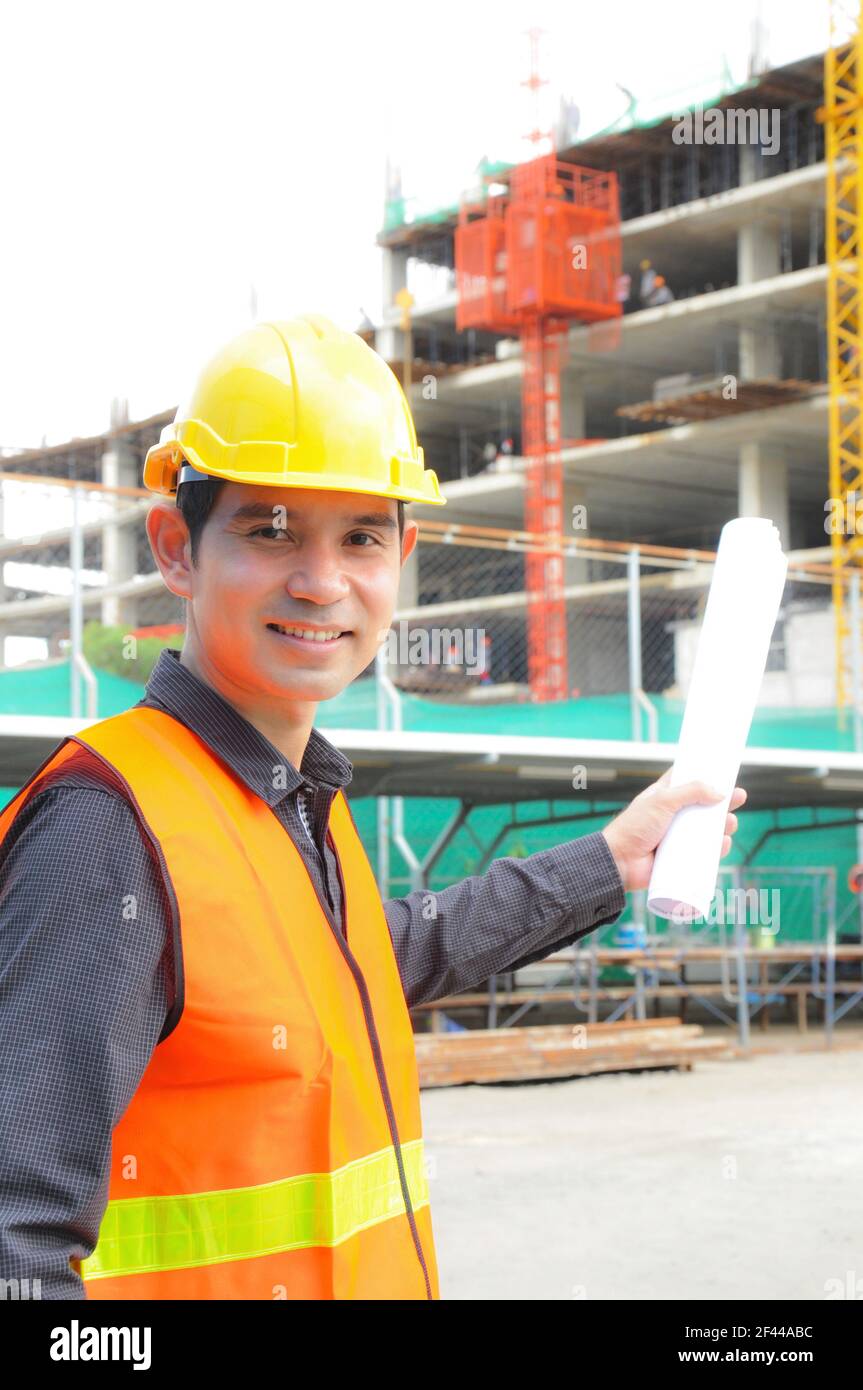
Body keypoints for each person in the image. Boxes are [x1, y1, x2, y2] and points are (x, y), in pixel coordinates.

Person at [0, 315, 747, 1301]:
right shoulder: (114, 825)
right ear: (177, 548)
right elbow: (16, 1244)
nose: (320, 581)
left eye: (359, 536)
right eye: (270, 530)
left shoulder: (297, 800)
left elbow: (388, 957)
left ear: (401, 555)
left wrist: (610, 858)